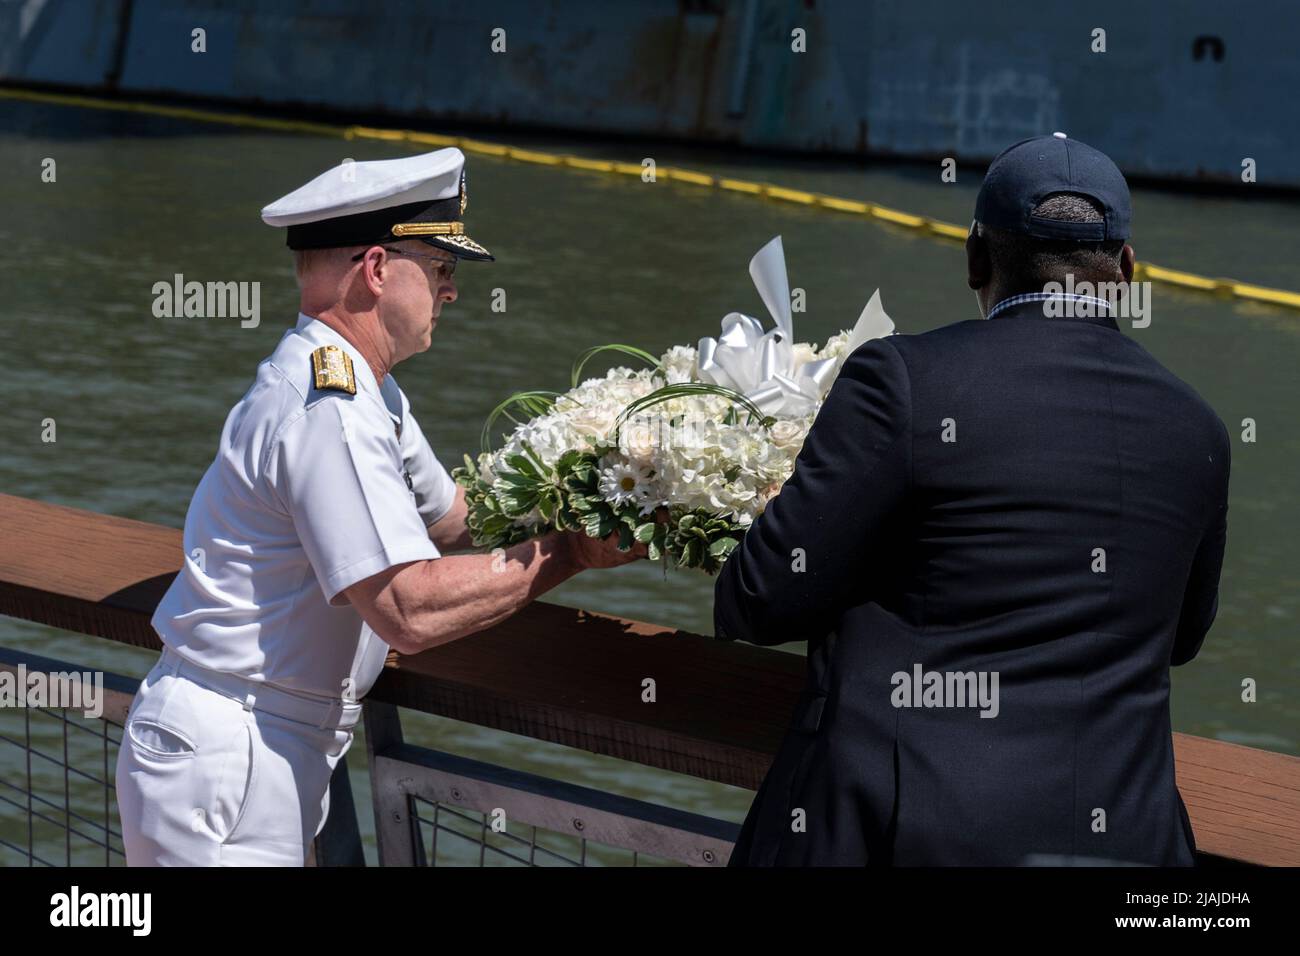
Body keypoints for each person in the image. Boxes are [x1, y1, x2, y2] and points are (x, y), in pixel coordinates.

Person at [714, 133, 1231, 866]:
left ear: (975, 259)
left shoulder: (902, 379)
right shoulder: (1198, 429)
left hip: (891, 833)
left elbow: (759, 600)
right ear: (1125, 269)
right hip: (1124, 842)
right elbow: (1180, 638)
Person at [115, 147, 642, 866]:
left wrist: (610, 482)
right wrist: (571, 553)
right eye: (442, 268)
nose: (451, 292)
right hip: (233, 748)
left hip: (257, 740)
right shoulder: (332, 408)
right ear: (375, 269)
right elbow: (407, 610)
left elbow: (455, 518)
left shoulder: (365, 388)